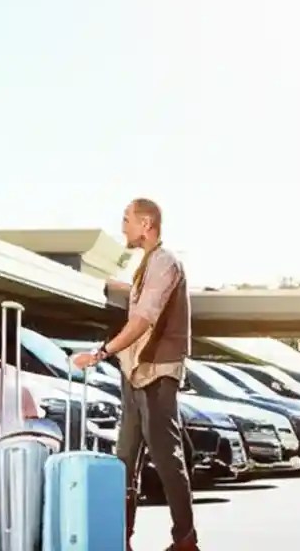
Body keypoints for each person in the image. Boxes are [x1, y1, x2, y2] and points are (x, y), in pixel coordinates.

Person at [72, 198, 199, 551]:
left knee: (166, 457)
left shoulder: (165, 263)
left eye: (127, 220)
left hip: (157, 373)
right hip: (134, 373)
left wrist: (101, 352)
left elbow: (143, 319)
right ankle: (120, 538)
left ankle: (185, 541)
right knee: (124, 461)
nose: (123, 227)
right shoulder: (147, 265)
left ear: (146, 224)